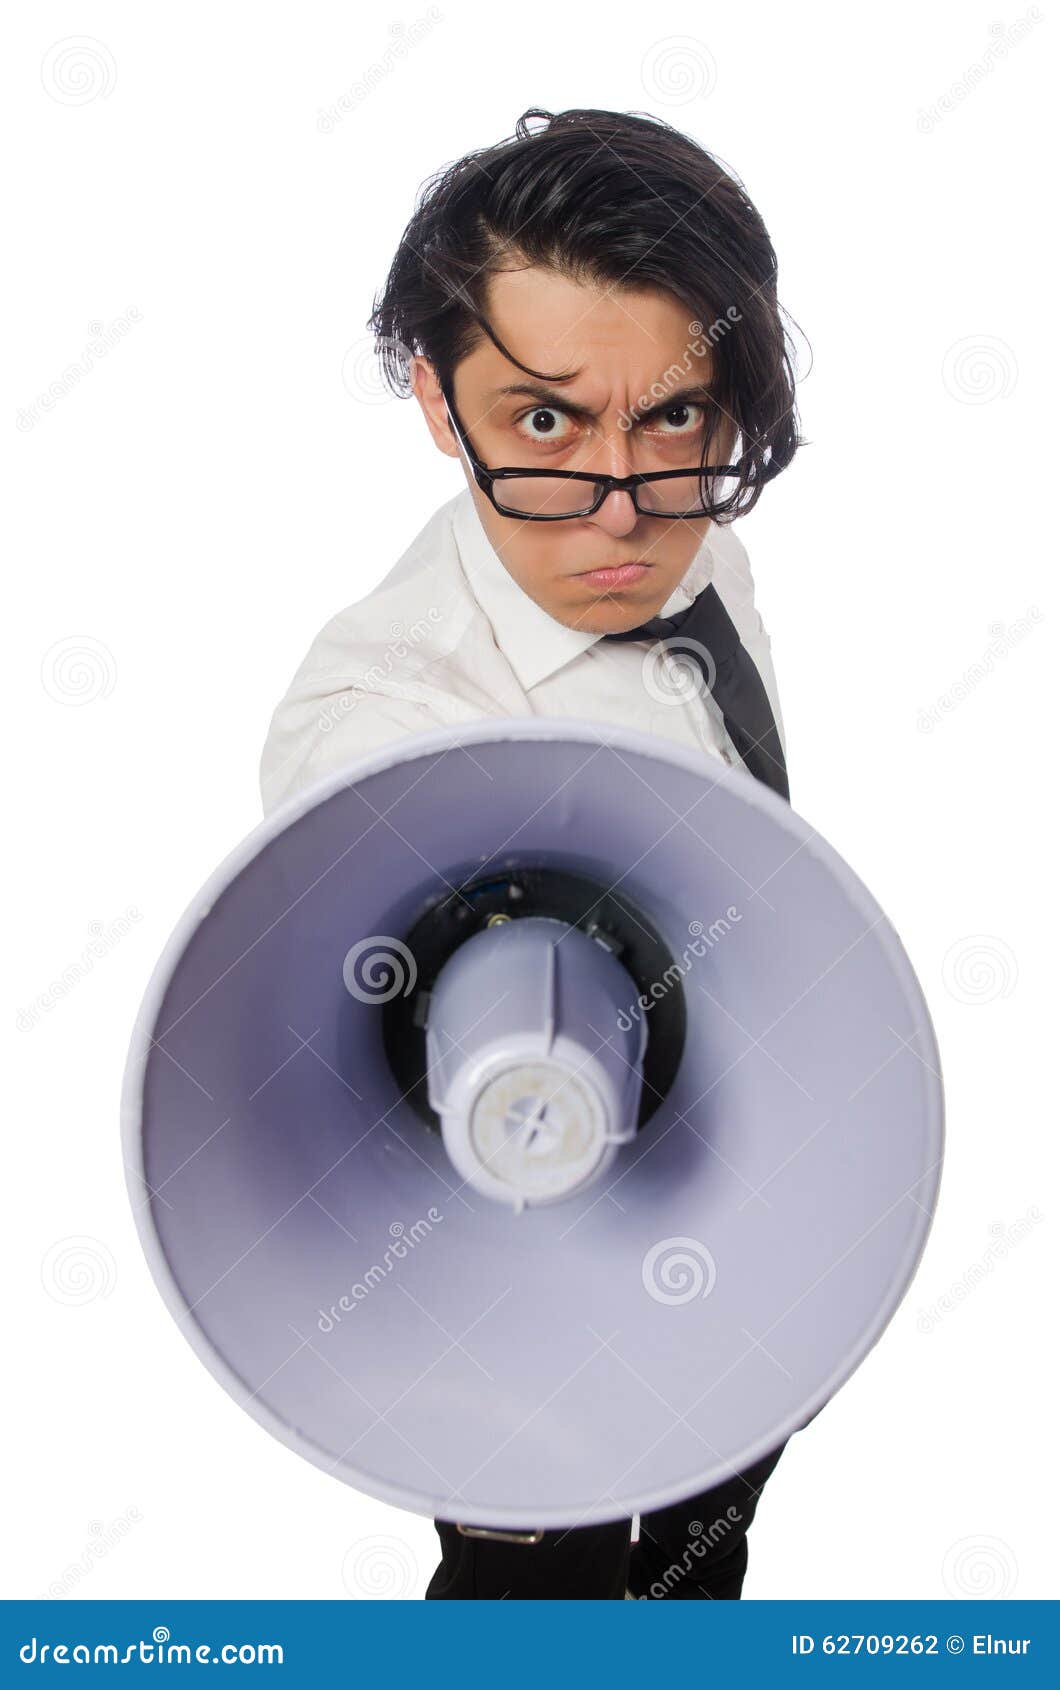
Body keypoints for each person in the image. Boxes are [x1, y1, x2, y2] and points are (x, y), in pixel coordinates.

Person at [260, 106, 806, 1598]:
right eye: (547, 426)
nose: (622, 508)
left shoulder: (703, 544)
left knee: (703, 1563)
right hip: (530, 1297)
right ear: (440, 405)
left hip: (729, 1222)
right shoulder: (378, 729)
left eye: (676, 417)